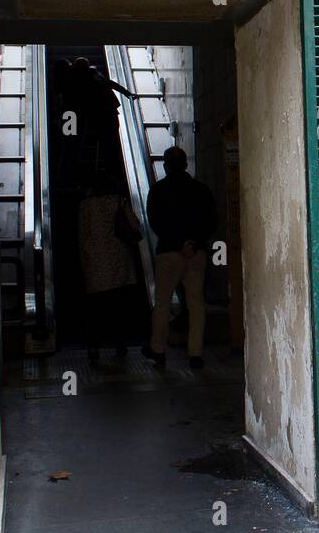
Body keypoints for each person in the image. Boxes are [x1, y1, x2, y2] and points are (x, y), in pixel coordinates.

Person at [142, 146, 216, 370]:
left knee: (162, 303)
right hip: (196, 253)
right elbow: (211, 220)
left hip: (169, 254)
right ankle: (195, 354)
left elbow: (155, 221)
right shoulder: (201, 189)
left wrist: (176, 244)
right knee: (196, 304)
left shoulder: (158, 190)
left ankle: (158, 351)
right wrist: (192, 243)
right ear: (185, 165)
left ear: (165, 166)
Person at [76, 172, 143, 362]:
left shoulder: (86, 206)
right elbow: (135, 226)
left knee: (96, 308)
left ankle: (94, 346)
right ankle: (119, 344)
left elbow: (82, 236)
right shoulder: (119, 201)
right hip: (118, 262)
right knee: (117, 306)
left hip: (95, 263)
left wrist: (83, 262)